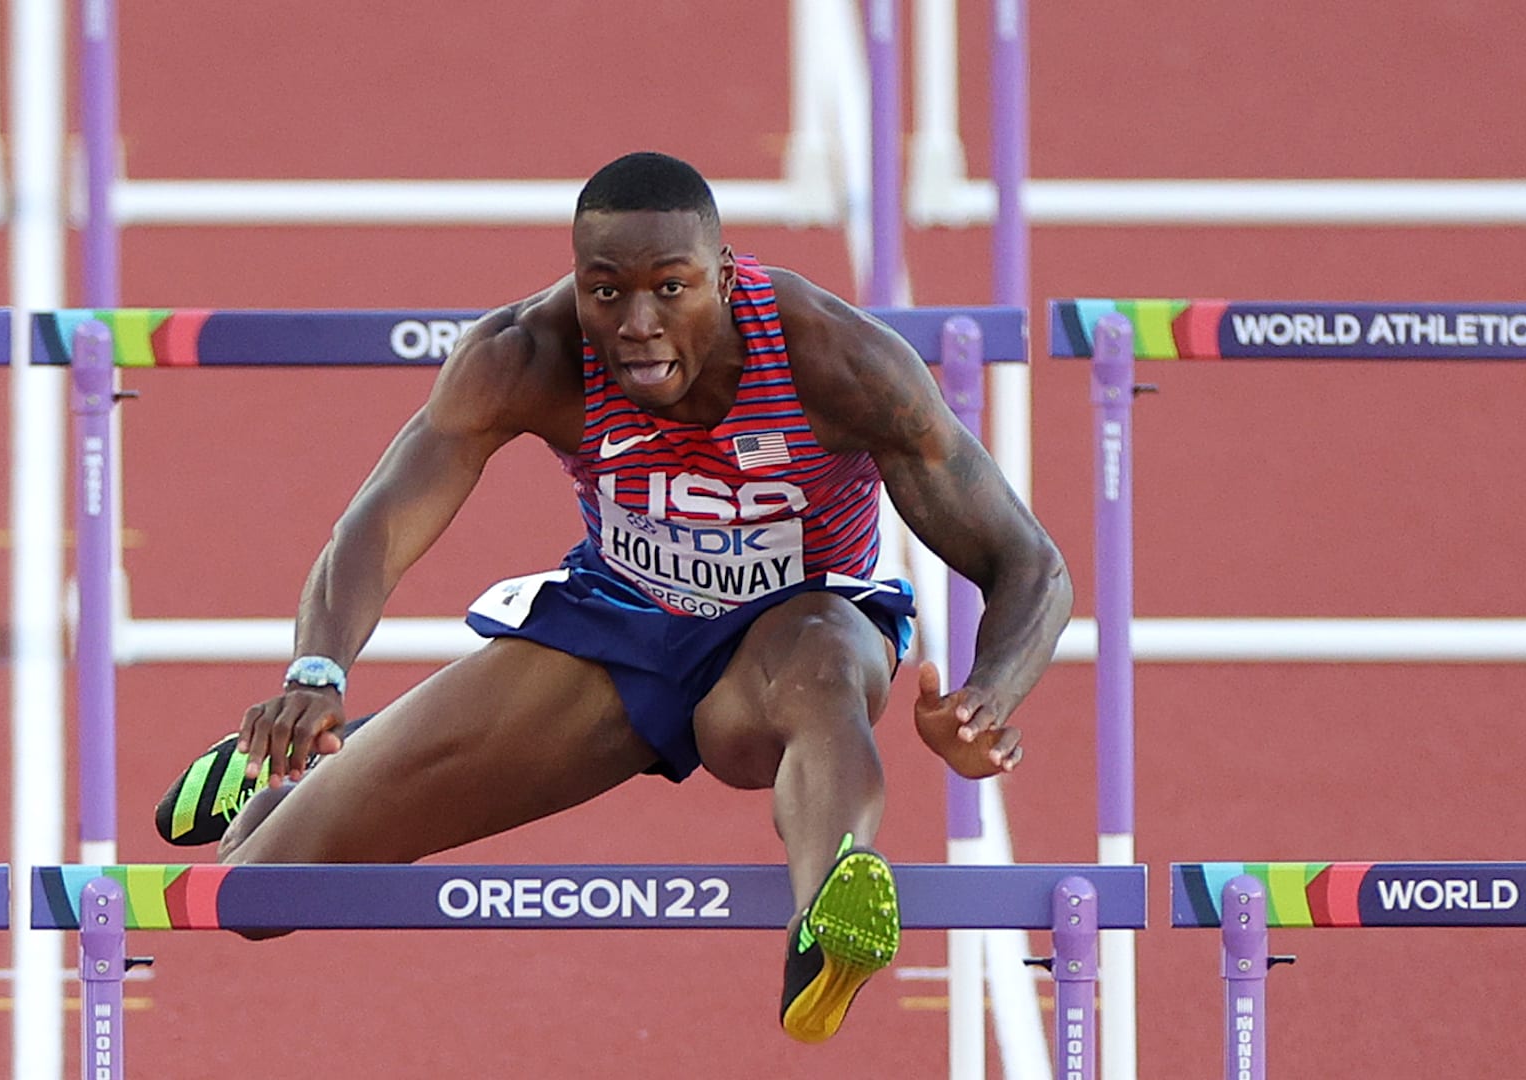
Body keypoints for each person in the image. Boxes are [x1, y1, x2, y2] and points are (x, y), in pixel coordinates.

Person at [153, 151, 1071, 1044]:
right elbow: (379, 521)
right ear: (577, 282)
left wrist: (989, 696)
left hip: (794, 633)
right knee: (259, 896)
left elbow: (1028, 563)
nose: (637, 323)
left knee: (823, 667)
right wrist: (318, 667)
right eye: (607, 291)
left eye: (670, 288)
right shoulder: (526, 354)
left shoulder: (835, 359)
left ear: (721, 272)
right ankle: (296, 776)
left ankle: (828, 918)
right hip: (618, 628)